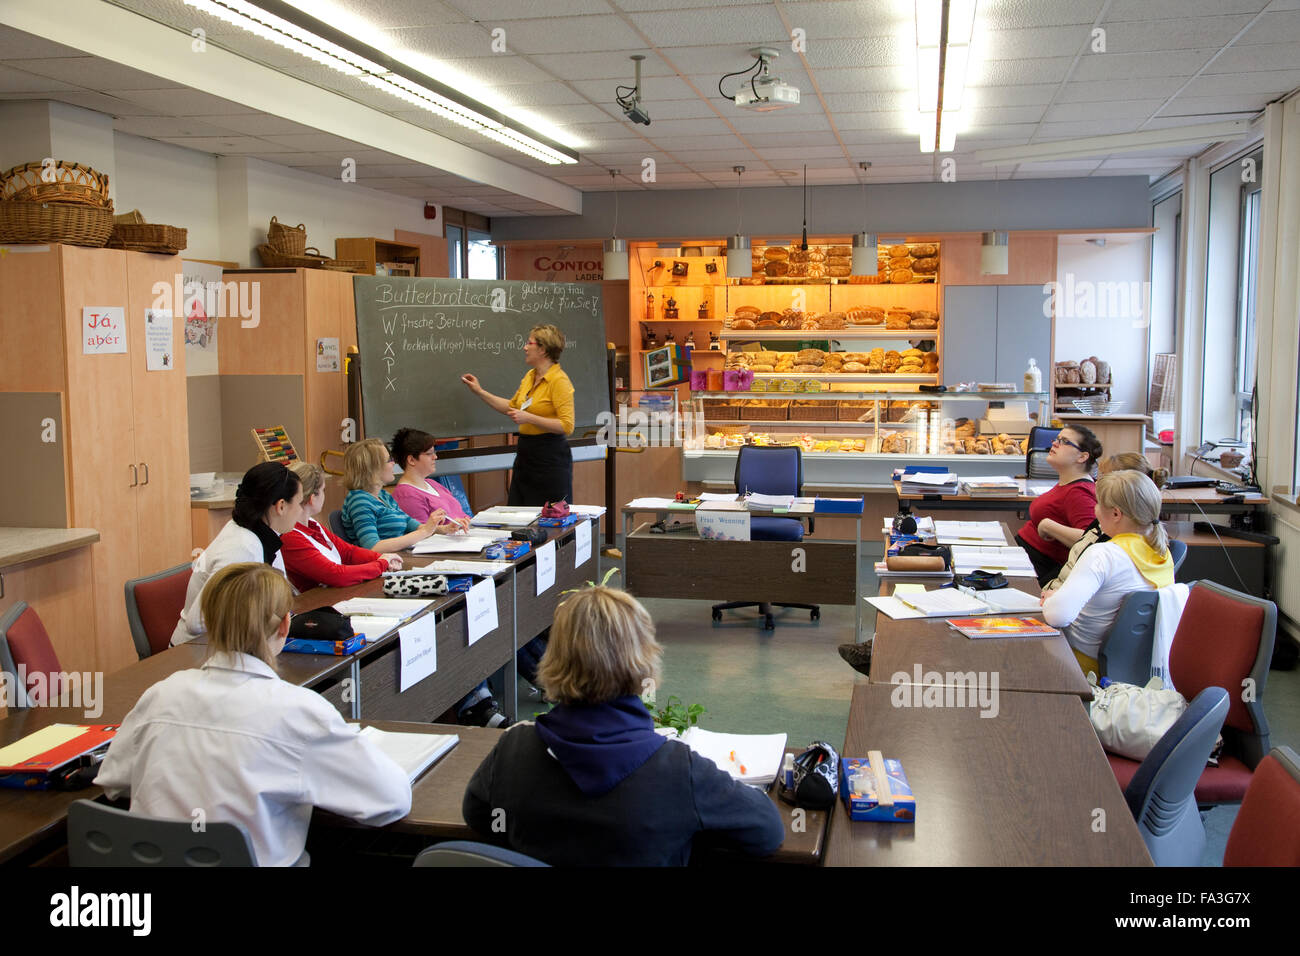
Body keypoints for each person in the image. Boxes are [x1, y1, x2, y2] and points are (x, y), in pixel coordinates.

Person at [98, 563, 412, 866]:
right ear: (285, 626)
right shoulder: (299, 711)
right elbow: (392, 800)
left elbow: (113, 782)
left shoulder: (159, 695)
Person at [463, 586, 785, 866]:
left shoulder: (513, 749)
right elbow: (768, 832)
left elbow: (478, 817)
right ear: (644, 658)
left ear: (554, 656)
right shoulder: (678, 770)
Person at [1042, 470, 1174, 675]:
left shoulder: (1103, 555)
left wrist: (1054, 598)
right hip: (1132, 669)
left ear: (1115, 514)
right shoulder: (1162, 552)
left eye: (1098, 504)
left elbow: (1057, 615)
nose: (1094, 510)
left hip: (1079, 663)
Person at [171, 462, 303, 646]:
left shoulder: (262, 534)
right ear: (281, 506)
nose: (301, 510)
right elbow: (197, 622)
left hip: (232, 646)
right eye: (299, 503)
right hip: (198, 651)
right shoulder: (241, 548)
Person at [461, 323, 575, 506]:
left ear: (543, 349)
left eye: (529, 343)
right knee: (519, 512)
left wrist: (529, 418)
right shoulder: (530, 376)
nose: (525, 347)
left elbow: (567, 426)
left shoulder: (559, 381)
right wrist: (480, 392)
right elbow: (512, 407)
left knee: (548, 520)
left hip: (550, 457)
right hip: (526, 454)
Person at [1043, 453, 1169, 594]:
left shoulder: (1106, 549)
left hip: (1059, 598)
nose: (1096, 482)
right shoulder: (1149, 542)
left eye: (1104, 478)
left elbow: (1064, 608)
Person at [280, 461, 402, 593]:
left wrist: (380, 557)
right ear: (312, 498)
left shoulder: (312, 524)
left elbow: (347, 552)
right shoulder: (290, 535)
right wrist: (381, 564)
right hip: (315, 603)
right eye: (323, 490)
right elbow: (335, 574)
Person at [1015, 424, 1103, 586]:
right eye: (1057, 439)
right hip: (1026, 559)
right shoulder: (1069, 484)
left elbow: (1091, 540)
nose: (1055, 443)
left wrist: (1049, 526)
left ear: (1082, 457)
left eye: (1064, 441)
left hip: (1037, 568)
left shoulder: (1080, 492)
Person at [339, 437, 454, 552]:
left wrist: (443, 529)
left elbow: (411, 524)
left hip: (399, 558)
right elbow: (373, 547)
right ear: (372, 468)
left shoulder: (383, 496)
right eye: (389, 460)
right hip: (384, 565)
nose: (393, 463)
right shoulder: (360, 501)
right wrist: (424, 532)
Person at [389, 427, 471, 531]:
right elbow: (422, 534)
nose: (435, 457)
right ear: (411, 460)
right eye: (429, 453)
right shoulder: (406, 495)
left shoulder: (432, 483)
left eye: (434, 452)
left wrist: (465, 522)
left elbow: (461, 514)